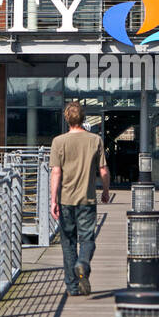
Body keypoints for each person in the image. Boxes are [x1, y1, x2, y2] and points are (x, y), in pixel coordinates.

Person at [49, 101, 111, 296]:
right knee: (87, 239)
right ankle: (83, 263)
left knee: (67, 242)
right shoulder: (95, 140)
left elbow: (56, 173)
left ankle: (73, 287)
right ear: (83, 118)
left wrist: (53, 200)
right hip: (87, 199)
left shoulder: (58, 142)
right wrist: (106, 190)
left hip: (66, 200)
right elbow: (103, 170)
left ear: (67, 119)